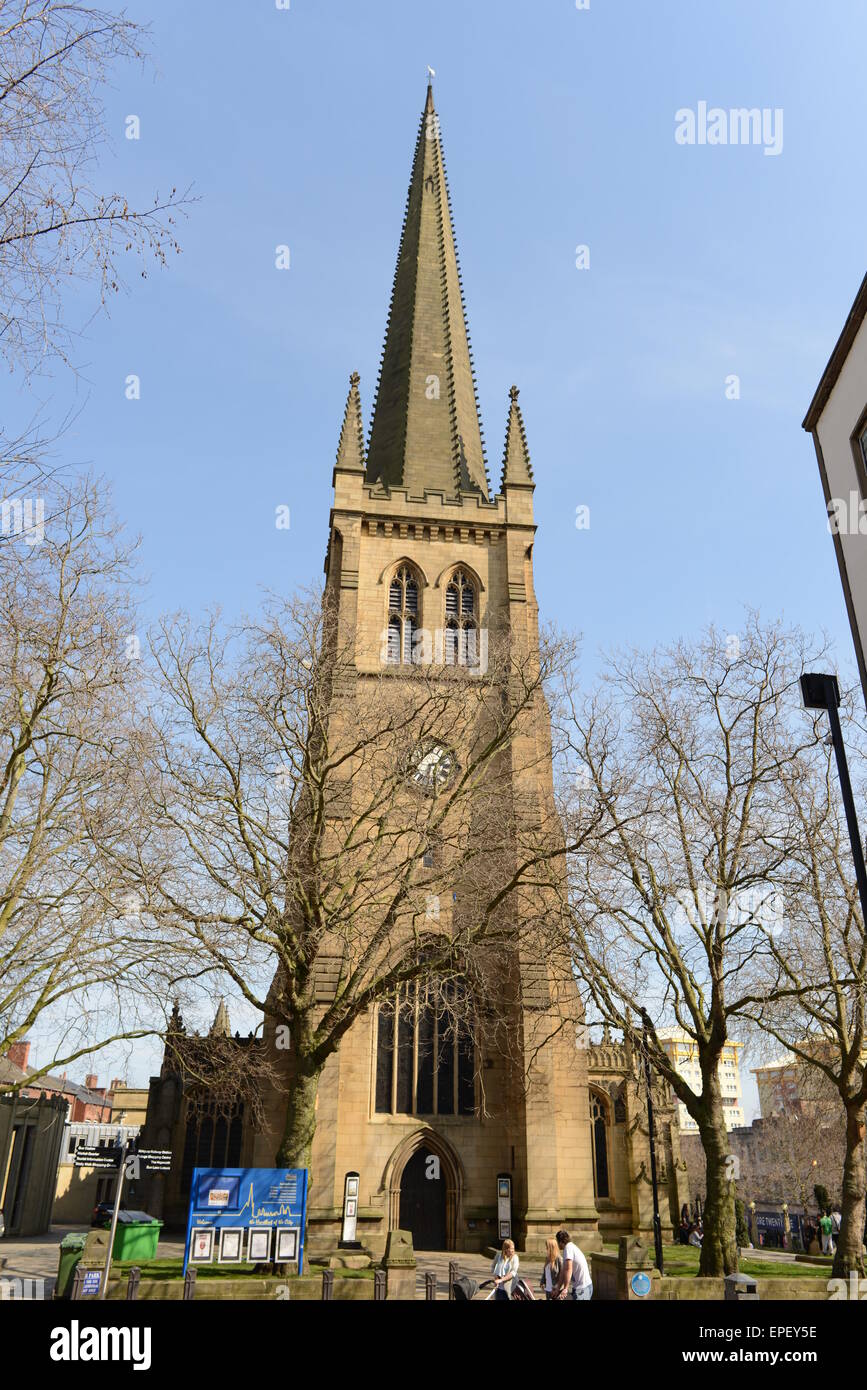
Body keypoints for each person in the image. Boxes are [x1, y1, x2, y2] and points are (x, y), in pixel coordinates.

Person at [554, 1228, 592, 1300]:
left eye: (557, 1241)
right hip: (580, 1288)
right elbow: (563, 1271)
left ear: (560, 1242)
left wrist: (565, 1289)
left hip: (583, 1289)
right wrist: (558, 1287)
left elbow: (568, 1269)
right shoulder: (569, 1248)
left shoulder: (568, 1248)